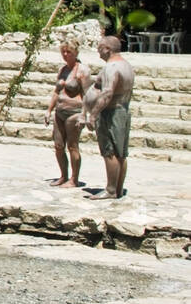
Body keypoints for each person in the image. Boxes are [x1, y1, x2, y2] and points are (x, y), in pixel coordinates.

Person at [86, 36, 135, 200]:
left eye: (100, 47)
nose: (98, 51)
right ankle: (118, 189)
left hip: (111, 112)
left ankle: (111, 190)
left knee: (110, 151)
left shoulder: (111, 67)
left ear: (107, 49)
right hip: (124, 110)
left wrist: (93, 115)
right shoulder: (126, 65)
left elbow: (107, 93)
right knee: (121, 152)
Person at [44, 38, 89, 188]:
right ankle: (63, 175)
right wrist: (49, 110)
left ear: (75, 52)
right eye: (63, 51)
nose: (65, 54)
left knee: (72, 146)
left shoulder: (82, 70)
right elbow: (56, 91)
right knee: (58, 145)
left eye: (68, 52)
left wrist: (84, 114)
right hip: (60, 111)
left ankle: (74, 179)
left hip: (74, 112)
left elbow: (87, 94)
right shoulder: (62, 70)